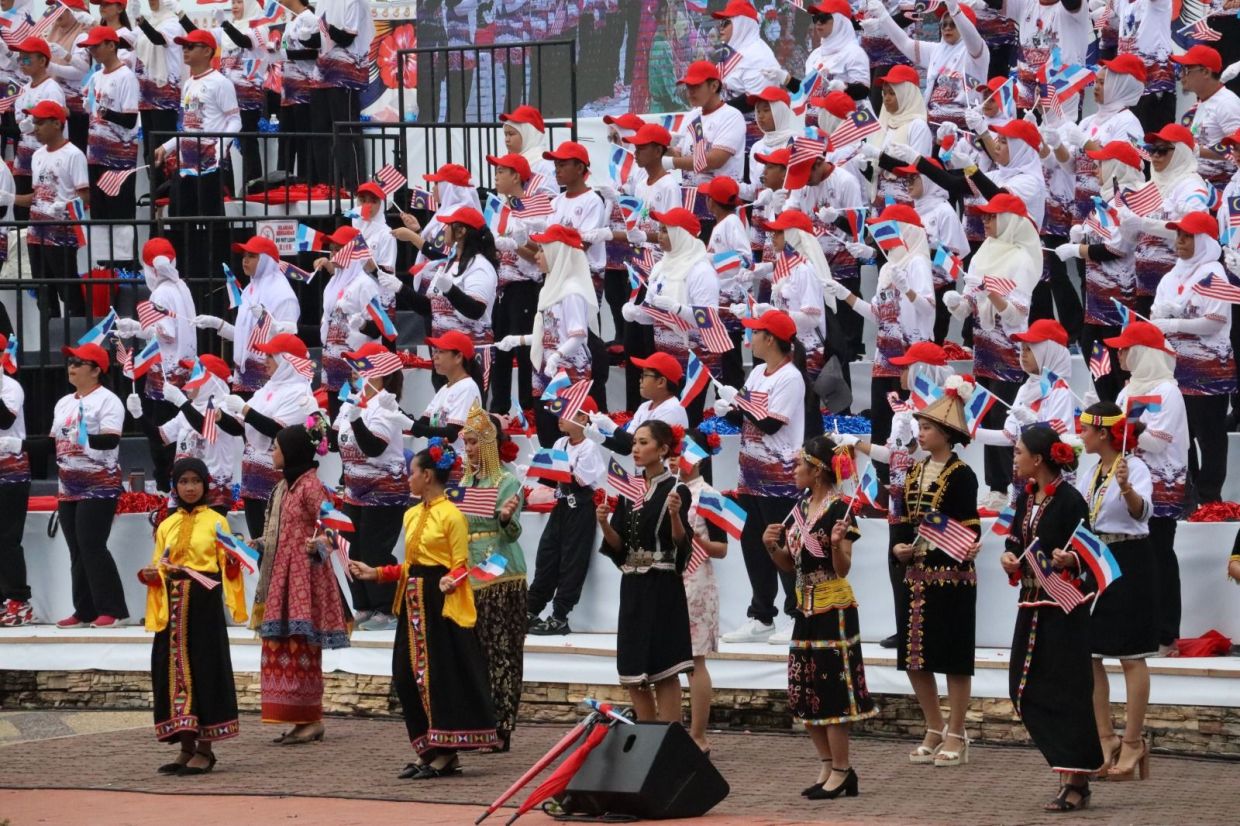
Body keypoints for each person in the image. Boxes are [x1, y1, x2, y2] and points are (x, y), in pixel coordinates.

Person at [350, 441, 499, 778]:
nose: (409, 478)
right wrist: (376, 573)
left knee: (438, 678)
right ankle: (428, 748)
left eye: (413, 472)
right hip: (413, 599)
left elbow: (462, 564)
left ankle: (446, 754)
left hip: (438, 602)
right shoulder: (411, 514)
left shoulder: (452, 515)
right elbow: (410, 565)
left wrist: (450, 581)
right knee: (406, 676)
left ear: (427, 475)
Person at [764, 434, 876, 799]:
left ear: (816, 470)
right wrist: (772, 548)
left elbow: (842, 569)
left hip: (833, 605)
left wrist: (834, 543)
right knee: (803, 687)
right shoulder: (798, 510)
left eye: (799, 465)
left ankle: (842, 769)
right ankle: (828, 764)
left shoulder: (840, 510)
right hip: (804, 604)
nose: (793, 470)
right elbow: (789, 564)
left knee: (830, 687)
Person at [999, 423, 1101, 812]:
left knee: (1066, 688)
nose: (1015, 457)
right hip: (1031, 602)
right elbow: (1014, 541)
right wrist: (1009, 557)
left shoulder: (1070, 500)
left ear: (1039, 458)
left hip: (1063, 608)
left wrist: (1071, 558)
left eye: (1019, 451)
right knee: (1022, 688)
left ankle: (1076, 779)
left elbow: (1087, 548)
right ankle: (1069, 764)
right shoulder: (1026, 498)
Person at [839, 342, 953, 648]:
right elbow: (893, 453)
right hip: (898, 496)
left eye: (906, 367)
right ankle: (905, 626)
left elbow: (932, 457)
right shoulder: (902, 411)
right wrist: (857, 444)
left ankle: (928, 627)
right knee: (897, 563)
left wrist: (910, 444)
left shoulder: (940, 409)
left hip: (926, 496)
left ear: (922, 371)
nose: (900, 373)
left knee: (924, 563)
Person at [893, 376, 980, 767]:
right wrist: (899, 547)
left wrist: (963, 540)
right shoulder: (912, 474)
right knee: (915, 656)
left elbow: (970, 526)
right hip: (916, 573)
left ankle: (958, 731)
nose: (921, 433)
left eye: (927, 428)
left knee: (953, 654)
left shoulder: (962, 475)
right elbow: (903, 523)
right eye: (921, 427)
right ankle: (933, 724)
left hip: (951, 572)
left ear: (946, 434)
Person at [138, 457, 246, 775]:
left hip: (203, 606)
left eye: (195, 481)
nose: (189, 487)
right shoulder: (167, 524)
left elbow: (228, 563)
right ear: (174, 486)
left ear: (205, 485)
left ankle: (206, 750)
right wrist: (151, 574)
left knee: (204, 671)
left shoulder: (217, 521)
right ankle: (185, 745)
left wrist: (233, 560)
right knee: (173, 674)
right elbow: (160, 563)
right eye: (183, 481)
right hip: (172, 608)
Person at [253, 417, 350, 745]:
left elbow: (333, 528)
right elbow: (280, 531)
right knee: (284, 646)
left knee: (302, 646)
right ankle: (298, 718)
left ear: (291, 451)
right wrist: (261, 543)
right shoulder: (284, 487)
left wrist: (319, 543)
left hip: (305, 578)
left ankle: (311, 719)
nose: (272, 452)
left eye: (277, 448)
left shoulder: (311, 486)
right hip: (283, 574)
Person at [943, 194, 1040, 511]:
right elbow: (969, 307)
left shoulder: (1022, 259)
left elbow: (1017, 314)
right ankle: (996, 487)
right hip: (985, 350)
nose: (984, 221)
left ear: (1010, 221)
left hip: (1012, 352)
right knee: (988, 412)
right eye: (983, 216)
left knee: (1006, 417)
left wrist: (993, 295)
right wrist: (958, 303)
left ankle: (1015, 486)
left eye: (991, 216)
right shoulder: (983, 254)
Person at [714, 310, 806, 643]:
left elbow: (770, 423)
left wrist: (738, 402)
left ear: (770, 339)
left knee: (781, 544)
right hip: (750, 475)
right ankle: (761, 614)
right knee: (753, 544)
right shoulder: (756, 374)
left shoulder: (790, 377)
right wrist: (732, 411)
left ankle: (798, 614)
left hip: (780, 477)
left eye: (755, 333)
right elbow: (748, 421)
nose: (749, 339)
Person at [1077, 402, 1157, 780]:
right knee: (1091, 653)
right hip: (1097, 558)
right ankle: (1104, 735)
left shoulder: (1135, 467)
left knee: (1130, 654)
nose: (1081, 434)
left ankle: (1133, 741)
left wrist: (1126, 488)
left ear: (1105, 432)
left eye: (1086, 429)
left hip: (1130, 559)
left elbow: (1142, 514)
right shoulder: (1090, 471)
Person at [596, 420, 694, 722]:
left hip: (662, 584)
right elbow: (620, 543)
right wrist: (602, 522)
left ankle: (670, 738)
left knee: (664, 666)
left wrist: (676, 515)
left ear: (663, 449)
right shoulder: (630, 490)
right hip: (634, 584)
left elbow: (682, 543)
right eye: (635, 442)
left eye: (643, 443)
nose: (636, 449)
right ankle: (647, 734)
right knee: (632, 666)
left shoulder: (676, 489)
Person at [1105, 321, 1188, 655]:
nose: (1119, 353)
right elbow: (1121, 437)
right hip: (1130, 481)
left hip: (1162, 482)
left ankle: (1167, 633)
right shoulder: (1127, 390)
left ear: (1141, 352)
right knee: (1136, 558)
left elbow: (1156, 442)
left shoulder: (1169, 391)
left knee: (1160, 555)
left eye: (1125, 348)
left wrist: (1127, 427)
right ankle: (1140, 628)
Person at [825, 204, 934, 453]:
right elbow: (878, 315)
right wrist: (846, 296)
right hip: (884, 360)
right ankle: (883, 483)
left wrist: (907, 288)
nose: (882, 236)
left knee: (908, 431)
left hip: (911, 358)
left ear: (904, 231)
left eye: (888, 229)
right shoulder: (887, 267)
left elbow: (928, 309)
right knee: (882, 429)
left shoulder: (916, 263)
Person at [1149, 211, 1234, 505]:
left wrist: (1173, 323)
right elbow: (1156, 312)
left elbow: (1215, 321)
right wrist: (1159, 317)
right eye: (1179, 236)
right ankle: (1188, 494)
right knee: (1181, 434)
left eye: (1188, 236)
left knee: (1210, 436)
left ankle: (1210, 497)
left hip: (1209, 370)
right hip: (1175, 370)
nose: (1180, 241)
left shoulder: (1215, 274)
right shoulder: (1172, 275)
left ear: (1204, 240)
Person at [458, 402, 526, 750]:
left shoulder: (508, 480)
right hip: (469, 575)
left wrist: (503, 517)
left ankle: (501, 727)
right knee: (476, 654)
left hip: (501, 573)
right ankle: (480, 723)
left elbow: (512, 530)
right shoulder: (463, 482)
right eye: (465, 442)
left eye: (473, 442)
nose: (468, 448)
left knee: (502, 651)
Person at [495, 224, 600, 447]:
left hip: (568, 372)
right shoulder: (548, 288)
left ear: (558, 254)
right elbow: (550, 333)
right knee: (546, 430)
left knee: (566, 432)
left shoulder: (572, 291)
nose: (537, 255)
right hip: (545, 370)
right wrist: (518, 340)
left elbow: (578, 335)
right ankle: (551, 479)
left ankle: (567, 479)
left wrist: (556, 356)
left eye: (542, 250)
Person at [1058, 140, 1144, 402]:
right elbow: (1099, 236)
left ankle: (1119, 406)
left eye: (1102, 163)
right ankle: (1108, 402)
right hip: (1096, 298)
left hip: (1118, 297)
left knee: (1117, 360)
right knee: (1092, 350)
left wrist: (1077, 251)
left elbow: (1117, 248)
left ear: (1117, 165)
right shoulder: (1106, 196)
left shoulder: (1128, 197)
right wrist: (1081, 234)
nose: (1095, 168)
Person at [52, 343, 128, 628]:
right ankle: (83, 609)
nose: (71, 366)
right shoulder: (63, 402)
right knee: (75, 548)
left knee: (91, 544)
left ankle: (110, 607)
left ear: (96, 370)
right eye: (70, 361)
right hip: (68, 485)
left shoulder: (108, 400)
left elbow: (111, 440)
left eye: (79, 362)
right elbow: (54, 442)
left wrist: (86, 438)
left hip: (99, 483)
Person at [334, 343, 409, 631]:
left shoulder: (386, 405)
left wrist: (355, 420)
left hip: (384, 492)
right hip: (354, 490)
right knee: (350, 548)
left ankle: (387, 607)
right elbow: (336, 438)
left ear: (377, 373)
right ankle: (364, 603)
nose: (355, 372)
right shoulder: (352, 400)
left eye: (361, 366)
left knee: (375, 549)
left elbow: (374, 447)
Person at [155, 28, 240, 280]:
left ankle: (215, 277)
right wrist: (167, 147)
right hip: (184, 165)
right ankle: (185, 275)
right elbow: (186, 128)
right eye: (184, 46)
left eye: (191, 46)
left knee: (211, 223)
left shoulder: (221, 83)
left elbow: (235, 121)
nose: (186, 50)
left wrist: (219, 149)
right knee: (180, 220)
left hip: (209, 167)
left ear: (207, 51)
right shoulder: (188, 84)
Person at [623, 207, 720, 425]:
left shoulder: (701, 270)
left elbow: (709, 318)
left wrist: (678, 309)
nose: (659, 235)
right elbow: (652, 314)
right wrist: (635, 314)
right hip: (666, 360)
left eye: (666, 230)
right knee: (662, 426)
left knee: (687, 425)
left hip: (693, 363)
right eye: (660, 229)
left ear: (681, 235)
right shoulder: (660, 266)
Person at [115, 237, 197, 490]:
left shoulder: (161, 292)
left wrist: (141, 328)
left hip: (165, 377)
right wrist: (139, 328)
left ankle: (166, 488)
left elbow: (166, 331)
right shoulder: (181, 286)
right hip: (186, 374)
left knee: (163, 439)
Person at [219, 333, 317, 539]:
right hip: (252, 482)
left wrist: (246, 411)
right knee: (259, 544)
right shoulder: (267, 388)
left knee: (276, 545)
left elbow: (279, 431)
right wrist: (218, 416)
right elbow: (240, 428)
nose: (265, 361)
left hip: (277, 483)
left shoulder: (300, 392)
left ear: (286, 361)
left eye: (271, 356)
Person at [527, 397, 606, 635]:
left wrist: (552, 468)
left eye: (568, 413)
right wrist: (535, 468)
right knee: (547, 553)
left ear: (583, 418)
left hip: (580, 507)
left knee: (572, 559)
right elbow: (553, 474)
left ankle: (560, 615)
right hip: (561, 505)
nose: (560, 418)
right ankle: (532, 607)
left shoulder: (589, 446)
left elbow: (578, 479)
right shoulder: (561, 442)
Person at [972, 319, 1077, 496]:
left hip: (1051, 481)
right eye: (1022, 349)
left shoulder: (1060, 391)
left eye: (1030, 349)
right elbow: (1008, 436)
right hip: (1025, 476)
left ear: (1049, 352)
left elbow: (1060, 438)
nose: (1023, 354)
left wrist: (1032, 422)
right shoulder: (1025, 389)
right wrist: (971, 431)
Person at [1118, 124, 1210, 318]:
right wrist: (1127, 225)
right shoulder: (1151, 185)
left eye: (1162, 150)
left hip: (1177, 286)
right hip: (1145, 285)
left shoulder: (1191, 185)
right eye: (1152, 150)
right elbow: (1137, 238)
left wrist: (1144, 223)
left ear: (1181, 154)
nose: (1155, 156)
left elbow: (1195, 228)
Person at [139, 353, 244, 515]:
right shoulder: (188, 410)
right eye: (187, 376)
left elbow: (205, 428)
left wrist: (181, 402)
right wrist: (138, 415)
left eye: (193, 376)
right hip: (182, 493)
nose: (186, 382)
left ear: (210, 381)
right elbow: (160, 436)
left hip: (213, 494)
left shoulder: (226, 406)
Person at [192, 235, 299, 393]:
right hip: (243, 378)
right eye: (244, 256)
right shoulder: (249, 290)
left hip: (269, 380)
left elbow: (289, 338)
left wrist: (268, 321)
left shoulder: (282, 294)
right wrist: (216, 323)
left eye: (252, 256)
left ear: (265, 260)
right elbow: (245, 338)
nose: (245, 260)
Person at [486, 152, 548, 417]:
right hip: (503, 286)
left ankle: (528, 406)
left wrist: (515, 244)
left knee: (524, 349)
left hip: (524, 285)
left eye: (501, 171)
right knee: (499, 346)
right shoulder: (502, 208)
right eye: (496, 171)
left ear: (516, 176)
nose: (497, 176)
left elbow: (539, 252)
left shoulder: (534, 208)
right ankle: (499, 407)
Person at [861, 0, 987, 130]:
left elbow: (972, 37)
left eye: (953, 24)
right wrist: (883, 17)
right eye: (944, 24)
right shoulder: (936, 51)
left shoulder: (977, 52)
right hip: (934, 129)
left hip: (966, 129)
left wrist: (956, 11)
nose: (947, 28)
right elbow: (905, 43)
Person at [678, 426, 727, 753]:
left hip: (695, 578)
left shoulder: (707, 494)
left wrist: (697, 540)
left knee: (695, 659)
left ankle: (698, 734)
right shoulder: (667, 489)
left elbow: (721, 547)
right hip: (667, 577)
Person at [15, 99, 88, 318]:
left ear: (57, 124)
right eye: (34, 122)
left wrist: (64, 206)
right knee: (43, 293)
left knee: (68, 289)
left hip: (61, 234)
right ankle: (50, 344)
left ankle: (77, 339)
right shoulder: (37, 156)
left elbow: (84, 195)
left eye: (40, 122)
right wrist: (11, 198)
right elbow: (37, 197)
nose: (35, 127)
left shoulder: (74, 154)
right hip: (36, 233)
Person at [80, 25, 139, 268]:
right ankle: (104, 267)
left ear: (111, 45)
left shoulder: (126, 77)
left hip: (119, 159)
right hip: (96, 154)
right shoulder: (96, 76)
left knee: (121, 213)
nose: (92, 50)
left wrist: (105, 112)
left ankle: (124, 267)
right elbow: (91, 109)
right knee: (100, 214)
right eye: (90, 47)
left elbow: (130, 119)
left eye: (96, 45)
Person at [313, 225, 382, 411]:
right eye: (332, 248)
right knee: (336, 421)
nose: (333, 253)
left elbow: (379, 328)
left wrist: (362, 324)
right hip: (331, 366)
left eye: (338, 248)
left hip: (355, 368)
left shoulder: (365, 284)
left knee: (354, 420)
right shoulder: (332, 284)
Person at [669, 60, 746, 223]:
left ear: (713, 86)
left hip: (721, 205)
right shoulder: (692, 116)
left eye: (696, 86)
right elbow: (679, 153)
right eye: (688, 87)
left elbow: (714, 160)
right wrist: (661, 147)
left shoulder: (732, 116)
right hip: (690, 201)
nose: (690, 92)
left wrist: (670, 162)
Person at [313, 0, 372, 189]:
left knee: (346, 128)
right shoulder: (321, 2)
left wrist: (327, 27)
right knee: (323, 130)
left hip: (346, 70)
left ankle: (355, 186)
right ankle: (329, 185)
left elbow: (348, 37)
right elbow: (319, 38)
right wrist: (305, 37)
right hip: (323, 72)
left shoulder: (352, 1)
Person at [131, 0, 185, 198]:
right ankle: (157, 193)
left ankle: (172, 193)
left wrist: (142, 23)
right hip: (145, 95)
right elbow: (129, 41)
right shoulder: (151, 21)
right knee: (149, 150)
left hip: (164, 95)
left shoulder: (172, 23)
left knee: (165, 147)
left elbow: (156, 39)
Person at [585, 352, 689, 454]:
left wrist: (611, 426)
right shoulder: (645, 406)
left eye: (645, 375)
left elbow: (645, 447)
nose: (640, 380)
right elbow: (627, 447)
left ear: (661, 382)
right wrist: (601, 439)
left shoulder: (672, 409)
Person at [862, 64, 931, 210]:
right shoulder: (884, 122)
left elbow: (917, 170)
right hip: (882, 204)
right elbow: (876, 169)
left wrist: (880, 156)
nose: (886, 98)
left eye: (892, 93)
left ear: (907, 94)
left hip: (907, 206)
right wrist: (864, 165)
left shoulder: (917, 126)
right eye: (884, 93)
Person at [215, 0, 268, 187]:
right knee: (225, 144)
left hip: (248, 94)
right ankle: (227, 190)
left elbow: (244, 41)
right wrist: (180, 15)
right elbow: (200, 37)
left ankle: (253, 187)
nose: (235, 6)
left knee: (247, 140)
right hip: (226, 96)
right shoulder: (230, 28)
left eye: (239, 2)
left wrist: (225, 24)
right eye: (233, 2)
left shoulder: (259, 26)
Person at [1172, 45, 1240, 191]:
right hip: (1199, 185)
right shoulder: (1204, 101)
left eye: (1185, 70)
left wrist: (1193, 149)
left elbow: (1236, 148)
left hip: (1221, 189)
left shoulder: (1226, 103)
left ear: (1206, 72)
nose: (1181, 76)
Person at [276, 0, 327, 184]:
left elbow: (316, 52)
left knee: (303, 139)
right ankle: (281, 181)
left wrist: (288, 54)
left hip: (304, 89)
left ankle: (307, 182)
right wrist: (277, 52)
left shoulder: (310, 18)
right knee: (286, 140)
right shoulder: (292, 20)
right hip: (287, 90)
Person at [408, 330, 483, 455]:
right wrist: (397, 412)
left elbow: (451, 434)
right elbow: (420, 426)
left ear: (458, 357)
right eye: (435, 351)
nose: (434, 357)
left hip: (460, 461)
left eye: (441, 352)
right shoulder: (444, 389)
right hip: (441, 459)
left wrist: (408, 424)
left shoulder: (467, 387)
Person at [0, 333, 31, 626]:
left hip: (10, 472)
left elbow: (5, 421)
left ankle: (19, 600)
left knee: (7, 538)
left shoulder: (11, 387)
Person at [709, 0, 789, 101]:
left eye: (726, 22)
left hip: (751, 116)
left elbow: (758, 101)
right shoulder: (735, 49)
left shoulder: (758, 56)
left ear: (741, 25)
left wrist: (717, 108)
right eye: (721, 22)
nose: (721, 27)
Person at [802, 2, 869, 100]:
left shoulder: (854, 53)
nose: (818, 23)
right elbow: (805, 90)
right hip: (816, 113)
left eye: (823, 18)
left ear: (840, 21)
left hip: (843, 113)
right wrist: (787, 79)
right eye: (815, 18)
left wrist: (844, 88)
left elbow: (863, 91)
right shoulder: (815, 54)